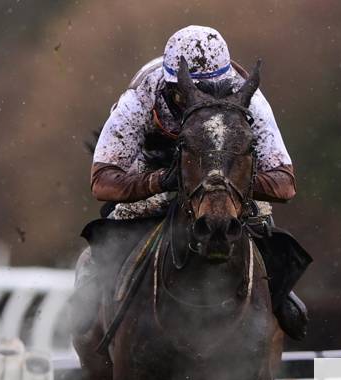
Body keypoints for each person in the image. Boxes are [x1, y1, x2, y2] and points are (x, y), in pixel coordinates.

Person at [75, 25, 308, 340]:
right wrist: (160, 180)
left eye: (213, 89)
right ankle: (91, 288)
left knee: (262, 220)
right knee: (118, 222)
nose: (202, 99)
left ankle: (278, 297)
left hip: (224, 172)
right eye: (189, 93)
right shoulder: (141, 97)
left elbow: (285, 183)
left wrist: (231, 182)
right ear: (171, 87)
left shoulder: (249, 98)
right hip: (155, 165)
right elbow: (102, 181)